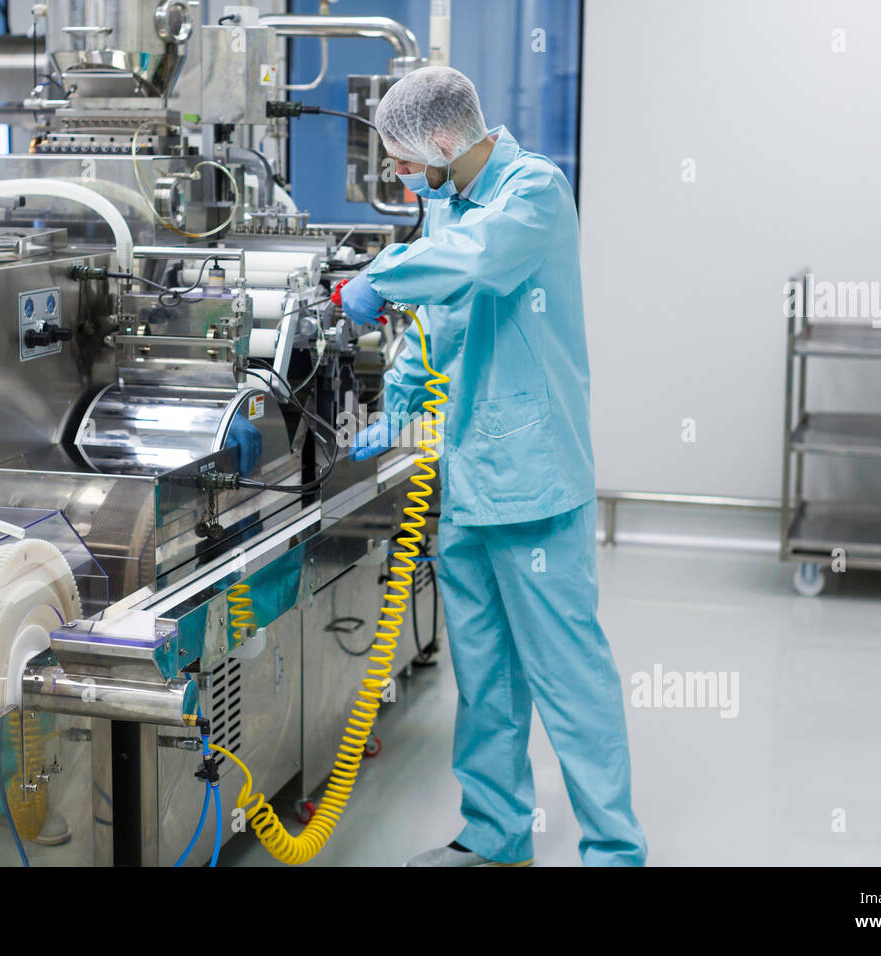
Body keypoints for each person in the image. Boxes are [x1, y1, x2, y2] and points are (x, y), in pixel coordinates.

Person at [338, 66, 646, 867]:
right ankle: (495, 837)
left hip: (533, 480)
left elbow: (475, 265)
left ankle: (613, 850)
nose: (401, 176)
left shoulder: (532, 192)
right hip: (467, 481)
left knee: (570, 680)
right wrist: (397, 409)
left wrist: (378, 275)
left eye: (404, 160)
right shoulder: (448, 204)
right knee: (486, 679)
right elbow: (437, 328)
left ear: (443, 141)